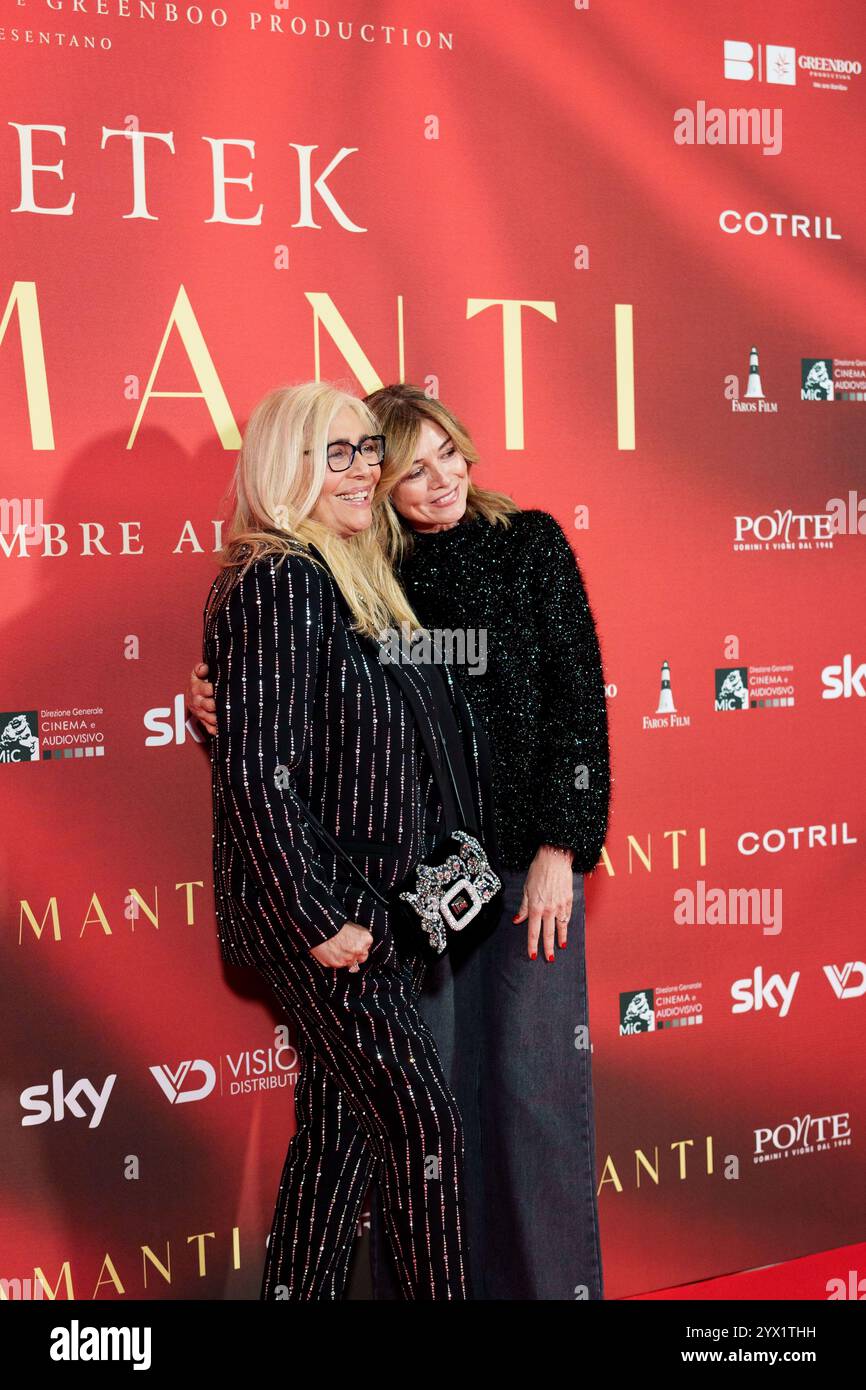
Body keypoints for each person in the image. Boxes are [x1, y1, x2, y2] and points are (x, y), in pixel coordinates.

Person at [191, 383, 612, 1301]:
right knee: (417, 1120)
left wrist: (560, 847)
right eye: (402, 465)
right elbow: (293, 715)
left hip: (509, 868)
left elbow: (578, 703)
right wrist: (219, 695)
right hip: (412, 890)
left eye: (445, 455)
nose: (432, 480)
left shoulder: (523, 547)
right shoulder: (357, 571)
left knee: (514, 1105)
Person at [202, 379, 488, 1300]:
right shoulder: (280, 577)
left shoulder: (347, 573)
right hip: (329, 920)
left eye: (368, 449)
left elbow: (435, 685)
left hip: (378, 909)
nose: (363, 469)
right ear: (287, 464)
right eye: (339, 452)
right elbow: (259, 774)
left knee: (340, 1138)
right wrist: (317, 916)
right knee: (424, 1128)